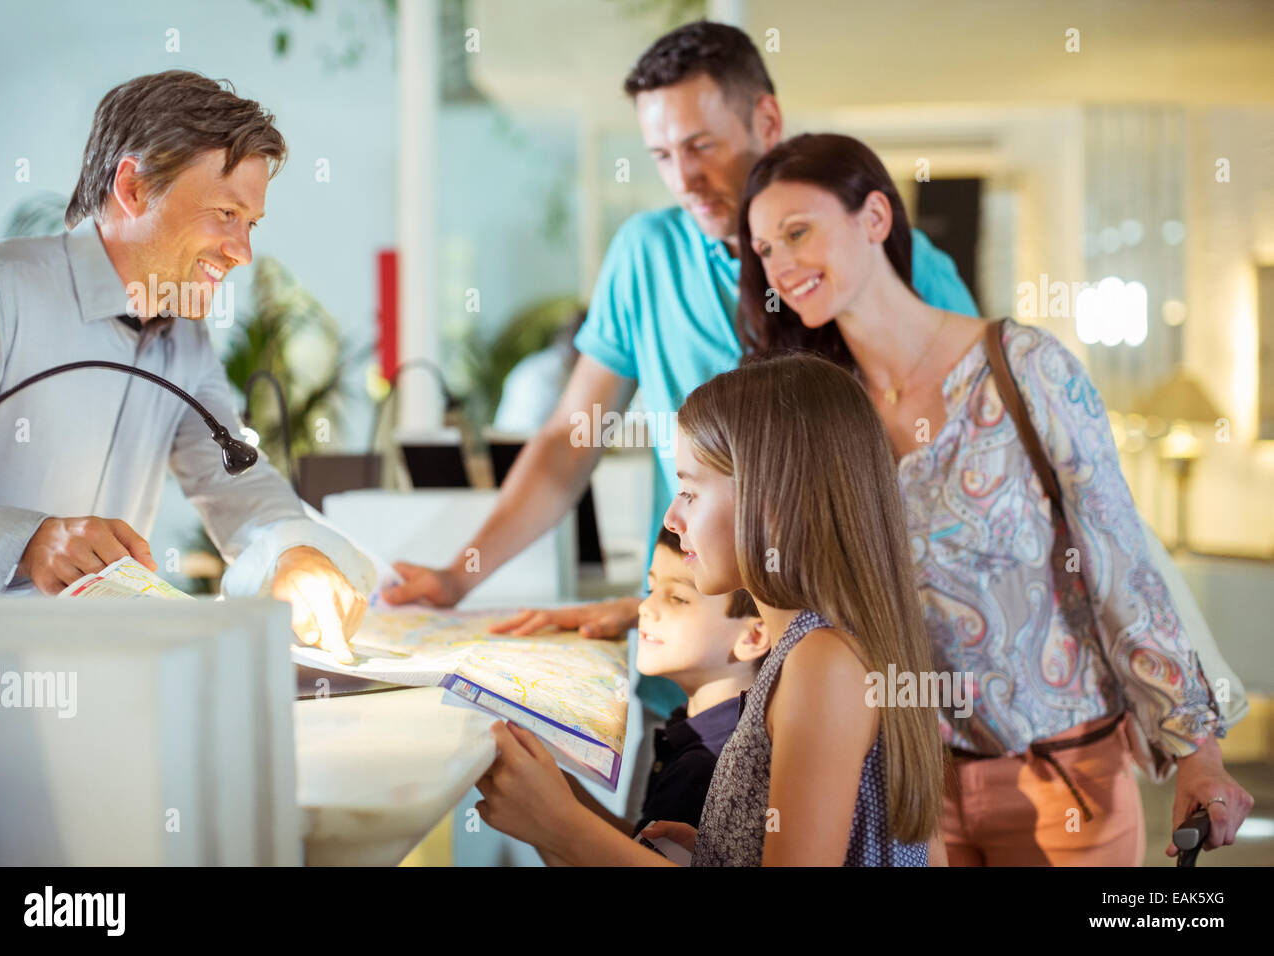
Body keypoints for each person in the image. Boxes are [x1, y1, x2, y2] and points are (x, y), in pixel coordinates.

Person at [384, 20, 977, 719]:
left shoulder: (883, 268)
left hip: (840, 661)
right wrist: (460, 574)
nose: (685, 179)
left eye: (702, 145)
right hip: (699, 669)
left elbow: (940, 484)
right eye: (662, 154)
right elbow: (570, 441)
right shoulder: (646, 254)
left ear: (766, 119)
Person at [736, 131, 1254, 864]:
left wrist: (1197, 750)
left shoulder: (1024, 368)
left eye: (797, 232)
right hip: (908, 786)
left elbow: (1121, 566)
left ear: (875, 217)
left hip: (1065, 778)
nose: (781, 265)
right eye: (763, 251)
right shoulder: (822, 411)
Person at [476, 354, 945, 866]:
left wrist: (560, 826)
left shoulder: (823, 664)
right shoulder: (815, 652)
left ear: (773, 504)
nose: (673, 518)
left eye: (690, 492)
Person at [0, 71, 372, 660]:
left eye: (250, 223)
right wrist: (26, 538)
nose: (243, 252)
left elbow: (232, 473)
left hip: (105, 678)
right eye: (225, 213)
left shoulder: (184, 332)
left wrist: (294, 551)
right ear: (133, 187)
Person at [527, 527, 767, 865]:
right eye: (650, 589)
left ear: (753, 636)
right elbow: (638, 848)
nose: (645, 608)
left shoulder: (704, 768)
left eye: (677, 598)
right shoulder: (709, 728)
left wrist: (544, 823)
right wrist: (557, 791)